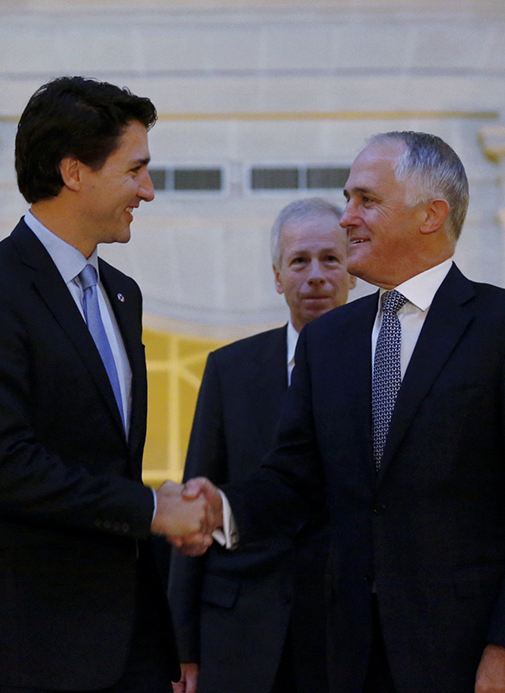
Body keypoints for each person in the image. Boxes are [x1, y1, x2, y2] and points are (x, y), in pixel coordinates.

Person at [187, 132, 505, 693]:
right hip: (352, 655)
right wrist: (222, 508)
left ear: (431, 215)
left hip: (476, 656)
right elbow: (291, 479)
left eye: (365, 200)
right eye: (348, 198)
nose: (346, 217)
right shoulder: (328, 340)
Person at [0, 76, 211, 693]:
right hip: (25, 641)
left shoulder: (122, 294)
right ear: (75, 172)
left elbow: (103, 457)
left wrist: (162, 516)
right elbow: (1, 464)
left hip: (129, 636)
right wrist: (151, 510)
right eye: (136, 170)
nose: (148, 190)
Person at [168, 198, 354, 693]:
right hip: (238, 634)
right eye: (299, 261)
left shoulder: (385, 371)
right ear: (277, 276)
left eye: (330, 259)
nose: (315, 275)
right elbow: (197, 497)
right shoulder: (229, 370)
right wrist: (181, 648)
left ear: (353, 271)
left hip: (344, 637)